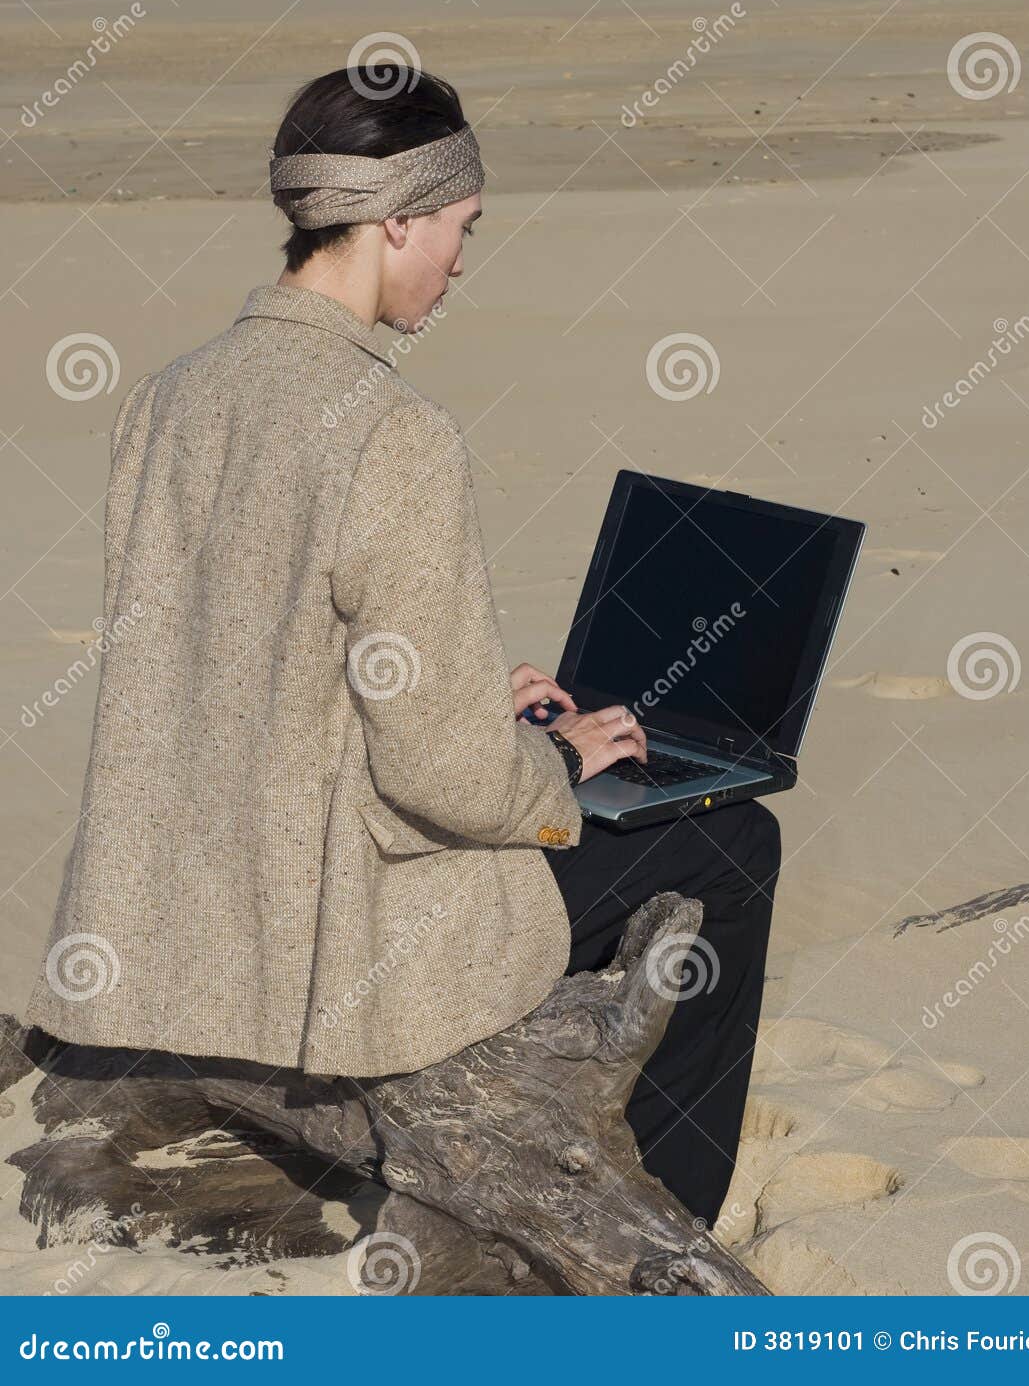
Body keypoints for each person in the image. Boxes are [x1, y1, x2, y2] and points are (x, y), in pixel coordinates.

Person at [25, 65, 778, 1229]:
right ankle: (667, 1217)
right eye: (461, 229)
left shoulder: (169, 398)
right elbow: (442, 776)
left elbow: (235, 658)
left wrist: (484, 694)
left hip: (169, 907)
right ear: (398, 220)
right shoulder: (392, 432)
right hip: (326, 935)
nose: (461, 262)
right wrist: (556, 761)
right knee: (731, 839)